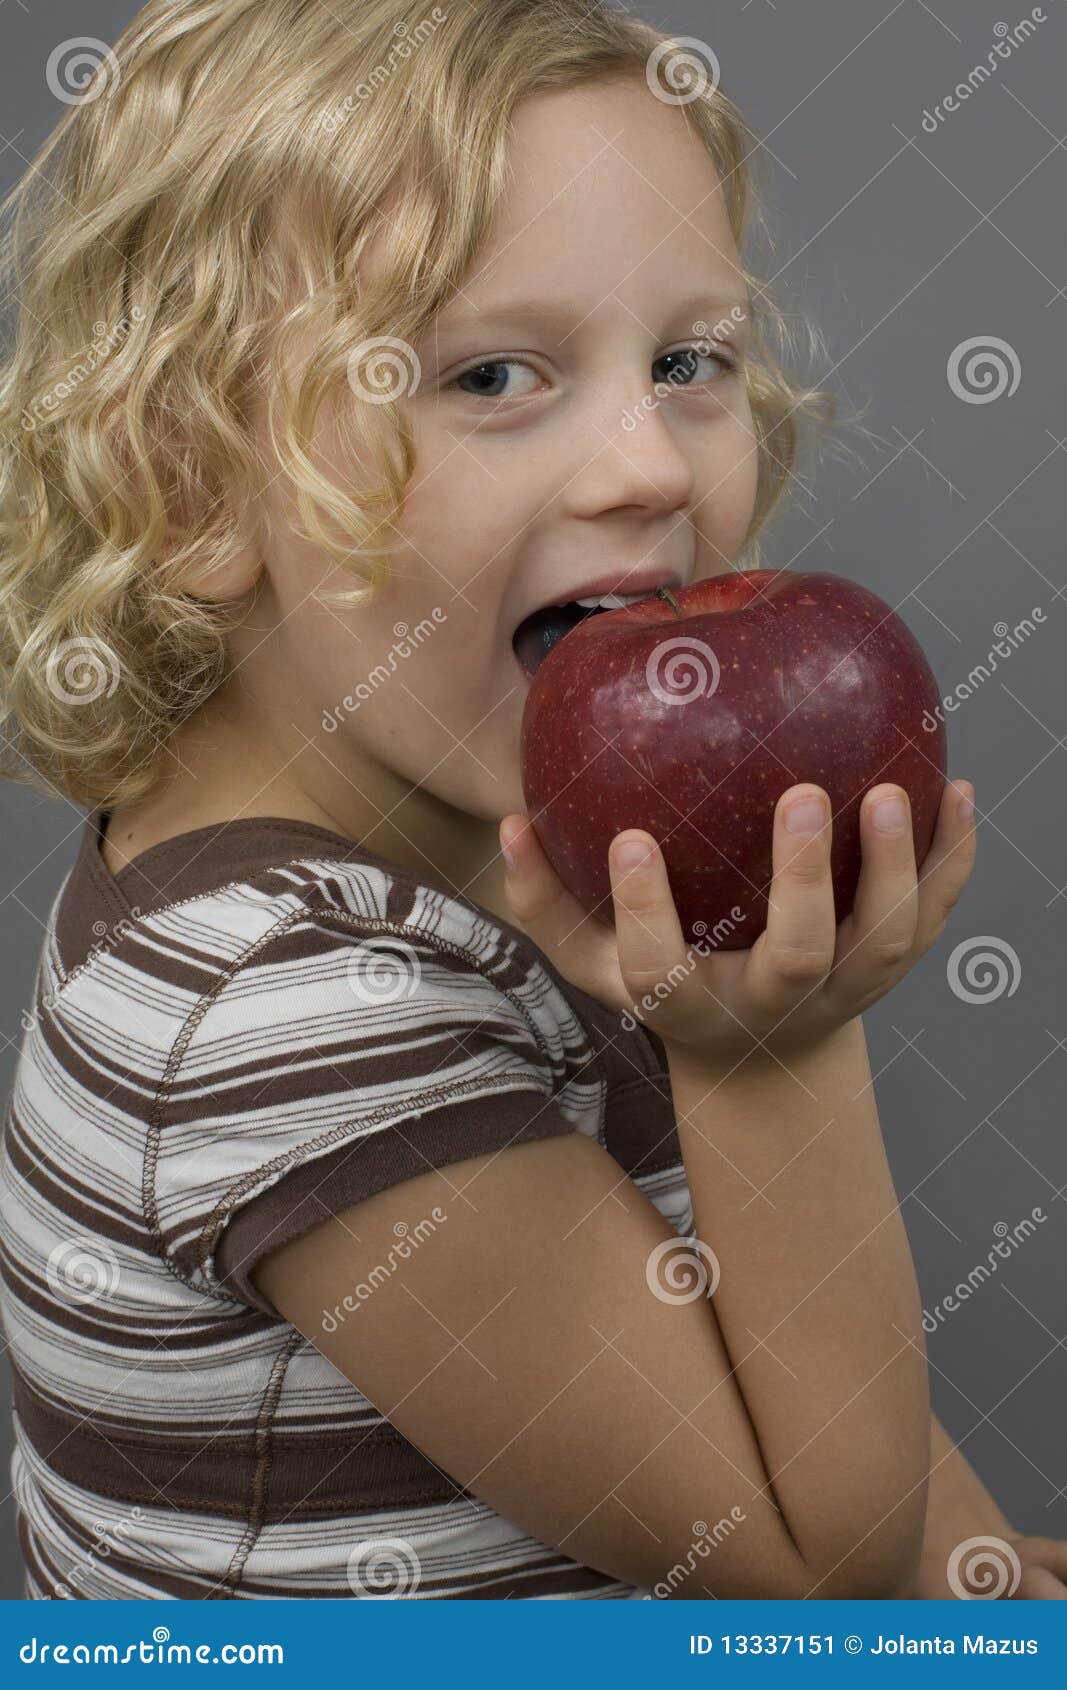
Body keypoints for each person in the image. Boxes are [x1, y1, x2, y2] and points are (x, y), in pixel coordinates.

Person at [0, 0, 1062, 1601]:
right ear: (192, 482)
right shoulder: (293, 1011)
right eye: (495, 373)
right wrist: (771, 1049)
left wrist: (977, 1581)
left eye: (689, 361)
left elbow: (791, 1394)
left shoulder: (443, 862)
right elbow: (811, 1571)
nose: (651, 464)